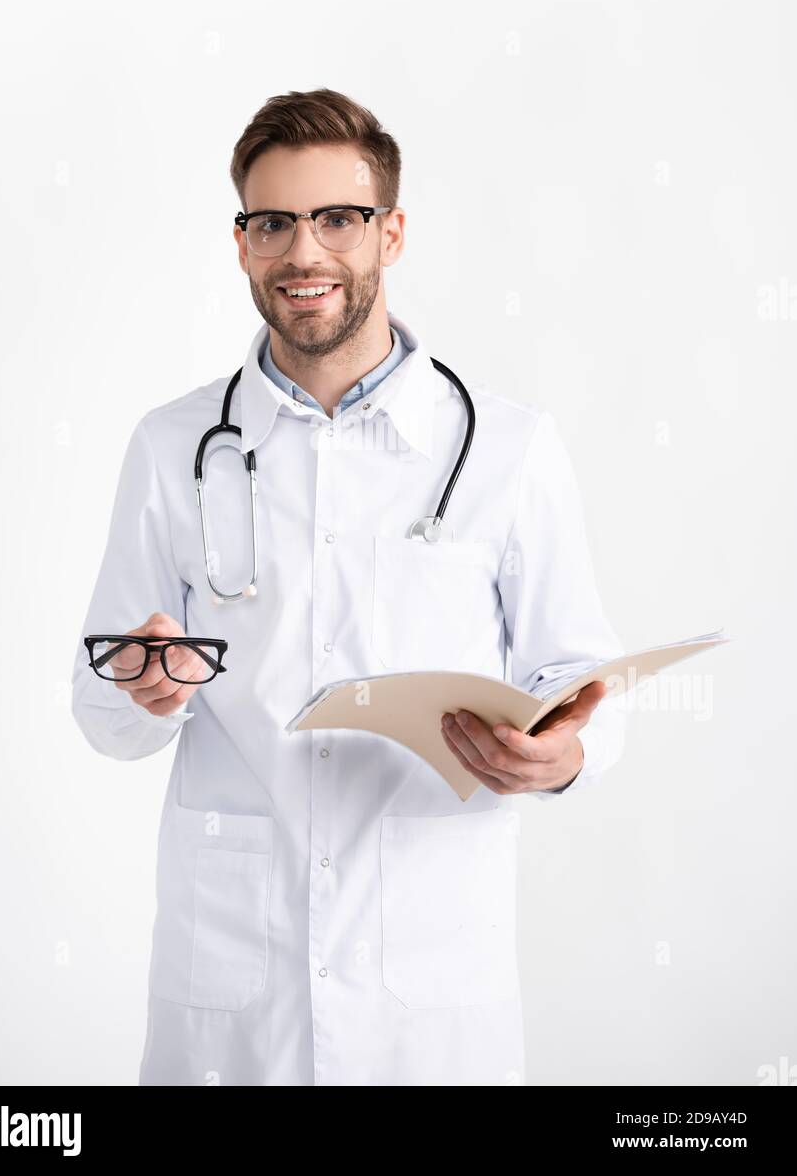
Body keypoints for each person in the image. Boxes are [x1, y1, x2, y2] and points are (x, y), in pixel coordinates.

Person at [71, 87, 625, 1086]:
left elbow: (584, 680)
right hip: (234, 993)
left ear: (391, 233)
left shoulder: (505, 449)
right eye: (274, 222)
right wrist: (142, 689)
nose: (305, 253)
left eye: (338, 218)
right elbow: (103, 711)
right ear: (242, 242)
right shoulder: (172, 447)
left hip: (431, 990)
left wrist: (561, 754)